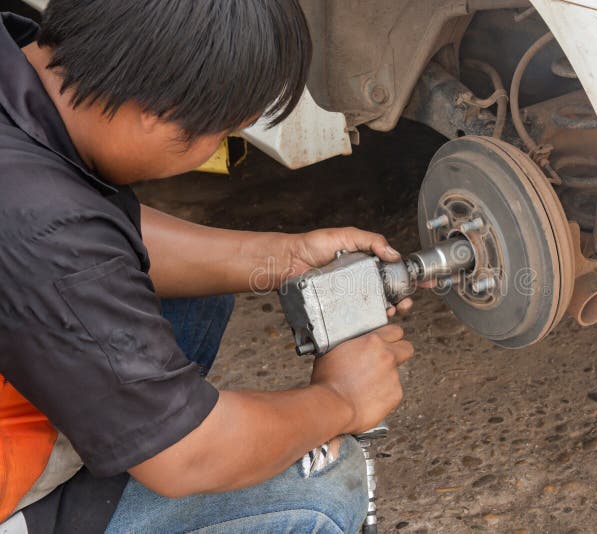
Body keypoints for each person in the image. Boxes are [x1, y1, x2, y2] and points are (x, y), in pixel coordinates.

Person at [0, 1, 415, 532]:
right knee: (321, 494)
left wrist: (289, 256)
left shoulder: (24, 74)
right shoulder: (44, 225)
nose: (216, 149)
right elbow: (188, 456)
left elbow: (95, 236)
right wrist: (341, 399)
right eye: (221, 134)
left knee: (195, 295)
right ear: (154, 112)